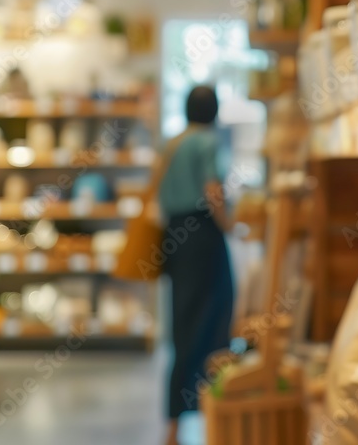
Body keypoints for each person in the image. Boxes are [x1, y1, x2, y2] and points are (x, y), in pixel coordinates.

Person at [156, 85, 234, 445]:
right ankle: (215, 413)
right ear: (213, 111)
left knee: (182, 325)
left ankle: (172, 426)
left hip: (175, 237)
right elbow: (213, 192)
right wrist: (229, 225)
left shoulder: (171, 143)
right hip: (202, 235)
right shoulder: (206, 141)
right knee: (215, 319)